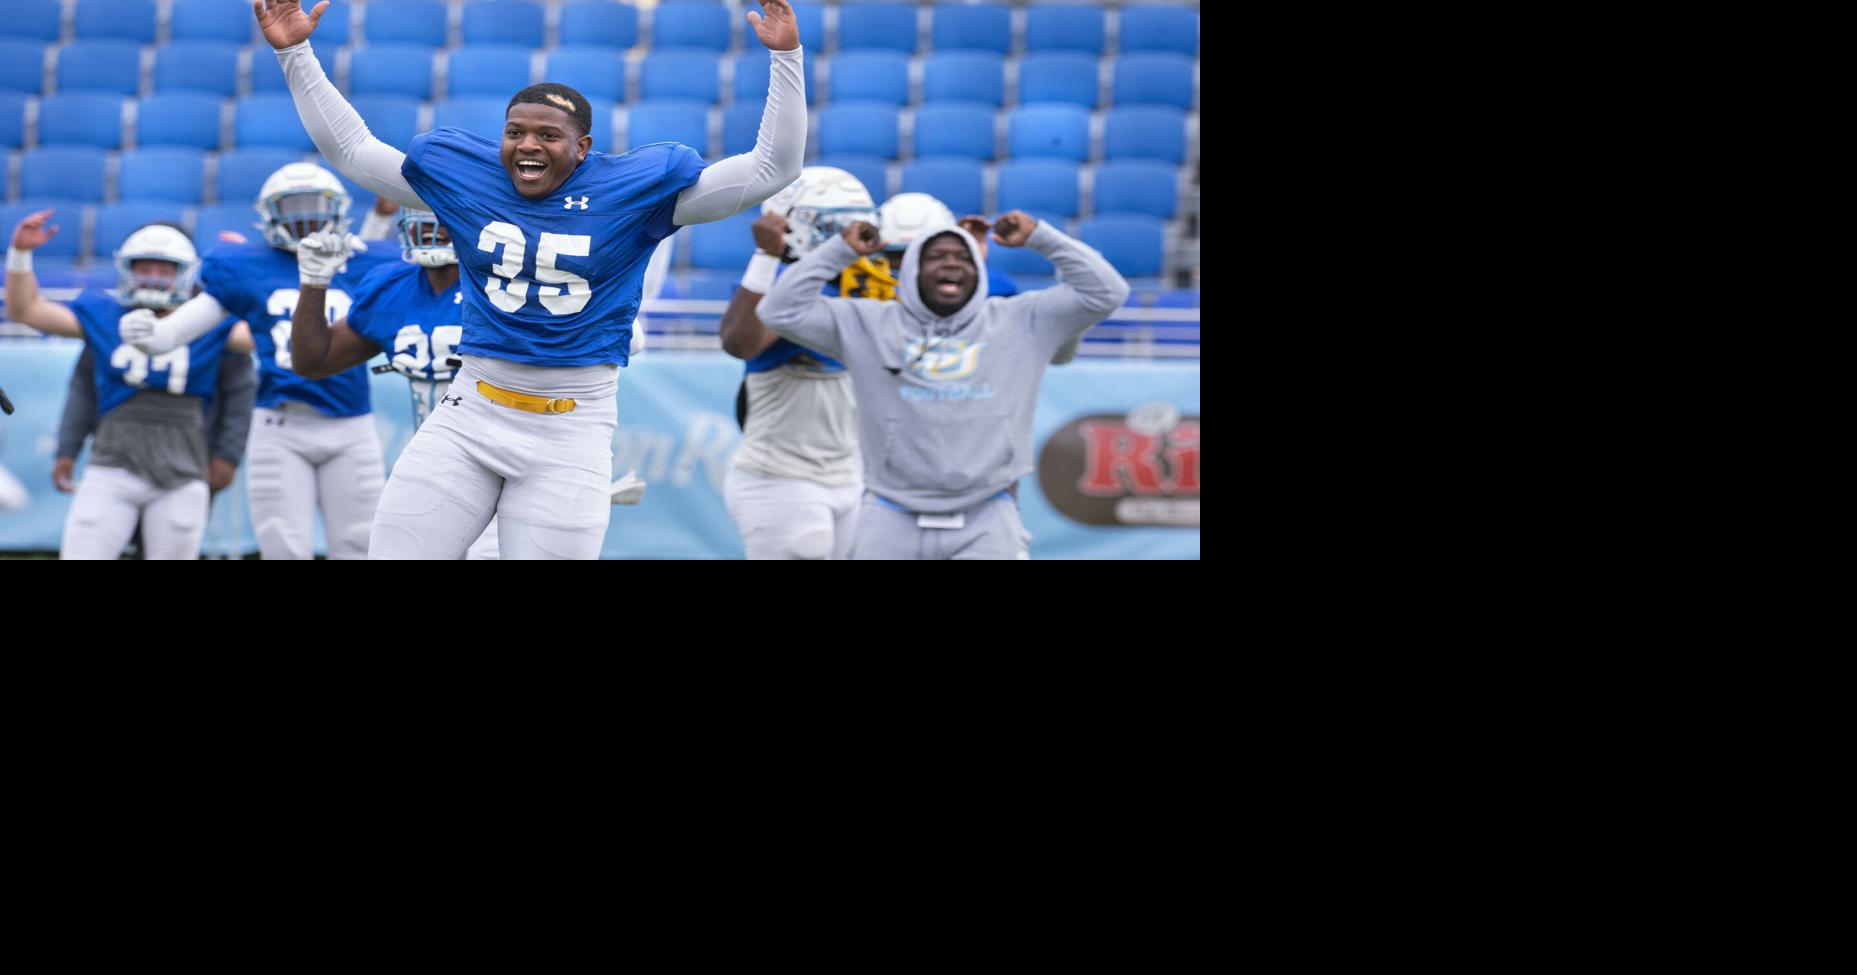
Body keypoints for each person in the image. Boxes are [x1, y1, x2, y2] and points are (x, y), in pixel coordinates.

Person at [216, 0, 808, 560]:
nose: (527, 144)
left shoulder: (632, 190)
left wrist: (786, 59)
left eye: (548, 136)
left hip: (572, 421)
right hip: (470, 406)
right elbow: (351, 151)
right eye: (515, 131)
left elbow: (771, 168)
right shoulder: (466, 177)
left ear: (583, 148)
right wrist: (295, 54)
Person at [756, 211, 1130, 559]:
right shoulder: (868, 323)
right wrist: (839, 250)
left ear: (979, 272)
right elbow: (778, 311)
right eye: (936, 256)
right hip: (889, 512)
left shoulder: (1022, 320)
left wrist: (1042, 238)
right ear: (913, 271)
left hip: (987, 514)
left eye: (963, 257)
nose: (951, 262)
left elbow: (1107, 291)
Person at [122, 161, 398, 559]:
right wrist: (150, 335)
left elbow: (372, 283)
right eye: (294, 206)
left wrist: (375, 228)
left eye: (314, 205)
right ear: (269, 213)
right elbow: (175, 332)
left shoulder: (358, 259)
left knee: (359, 541)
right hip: (279, 422)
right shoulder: (247, 266)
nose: (305, 217)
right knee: (281, 543)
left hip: (351, 422)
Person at [6, 214, 256, 559]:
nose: (153, 278)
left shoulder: (208, 323)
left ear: (183, 273)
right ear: (127, 269)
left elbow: (268, 330)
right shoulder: (105, 313)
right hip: (113, 464)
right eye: (145, 268)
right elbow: (26, 310)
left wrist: (248, 271)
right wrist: (20, 254)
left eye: (164, 270)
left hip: (183, 469)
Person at [287, 207, 499, 559]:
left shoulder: (503, 283)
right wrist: (313, 282)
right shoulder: (392, 286)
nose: (436, 230)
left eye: (446, 220)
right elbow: (313, 362)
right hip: (435, 463)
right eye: (427, 219)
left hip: (502, 459)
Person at [718, 166, 878, 559]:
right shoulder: (786, 286)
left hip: (848, 473)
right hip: (782, 478)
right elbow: (740, 342)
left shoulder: (867, 281)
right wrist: (764, 258)